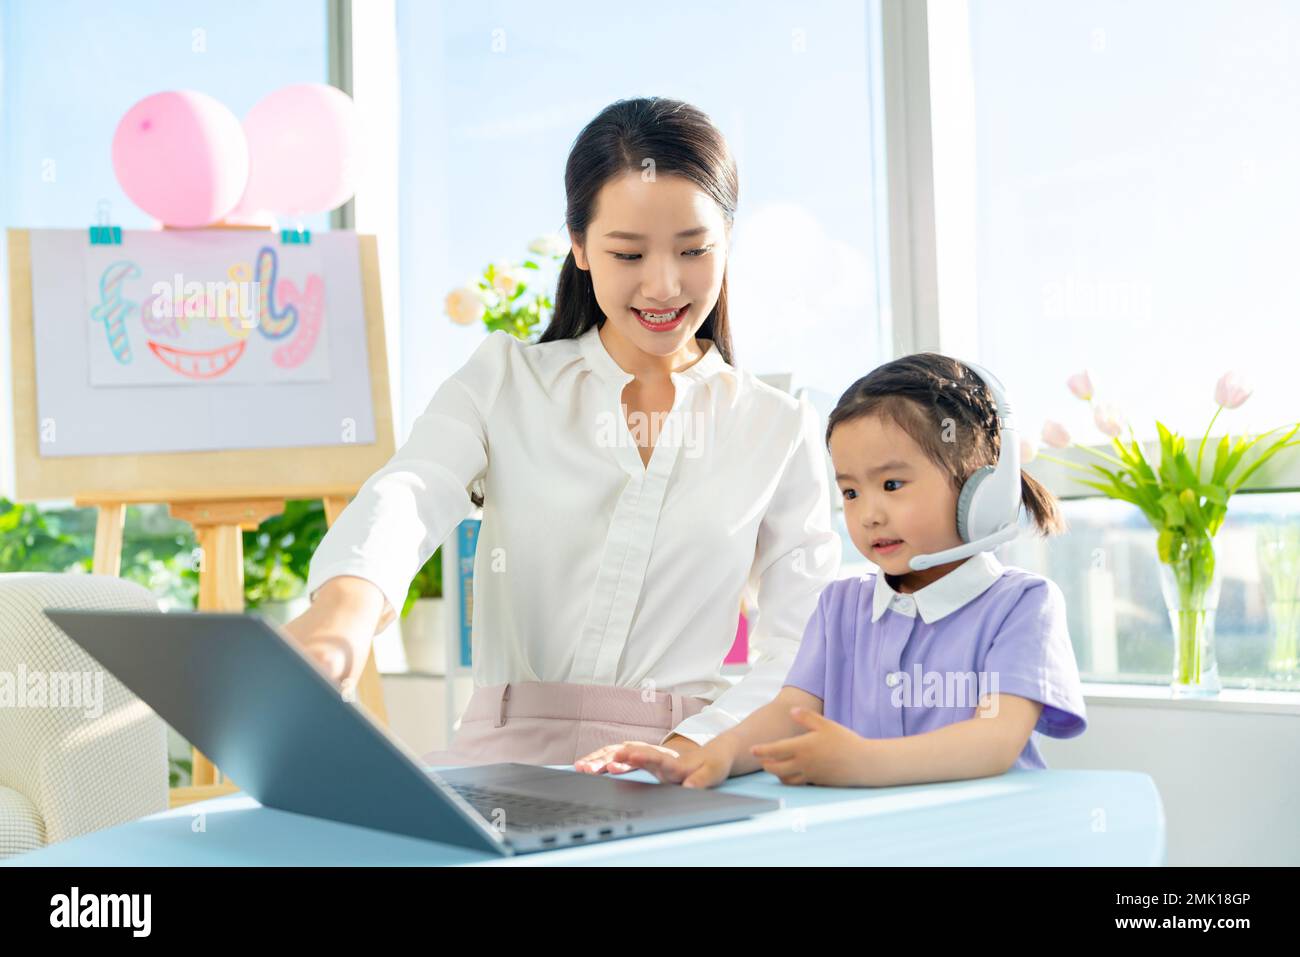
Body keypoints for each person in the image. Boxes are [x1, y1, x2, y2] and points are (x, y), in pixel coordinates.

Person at [282, 96, 841, 768]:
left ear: (726, 240)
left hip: (684, 762)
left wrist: (697, 746)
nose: (663, 286)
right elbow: (411, 491)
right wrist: (346, 609)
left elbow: (800, 644)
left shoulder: (776, 427)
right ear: (579, 245)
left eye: (693, 250)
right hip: (504, 755)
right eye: (628, 254)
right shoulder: (505, 380)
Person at [594, 353, 1089, 787]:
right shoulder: (840, 606)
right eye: (851, 492)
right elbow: (790, 716)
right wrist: (712, 755)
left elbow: (995, 740)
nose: (868, 513)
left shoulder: (1023, 604)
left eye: (892, 484)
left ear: (981, 488)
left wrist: (865, 762)